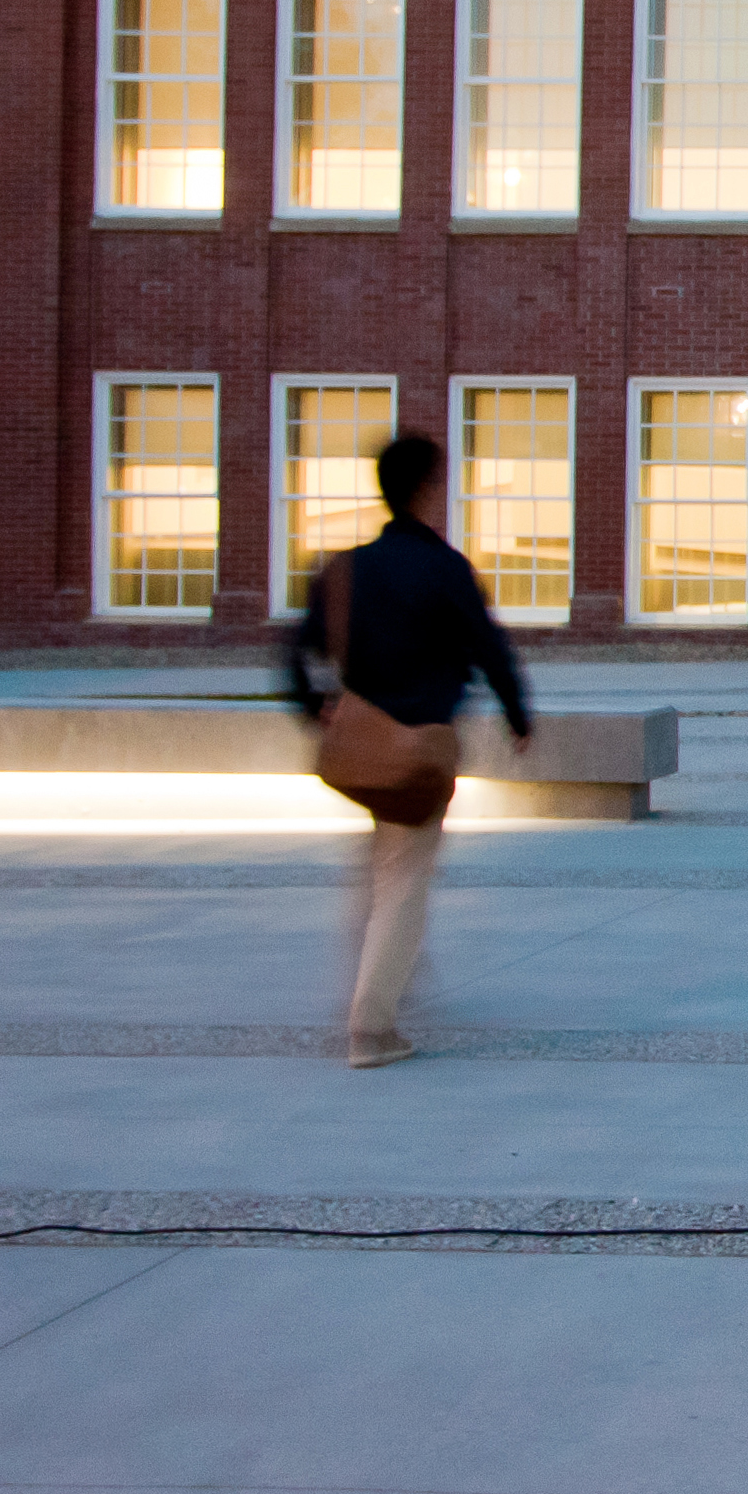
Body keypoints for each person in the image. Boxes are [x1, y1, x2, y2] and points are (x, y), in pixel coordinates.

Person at [281, 430, 530, 1067]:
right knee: (404, 880)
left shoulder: (343, 568)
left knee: (383, 863)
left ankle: (395, 971)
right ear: (425, 489)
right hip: (421, 750)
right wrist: (518, 716)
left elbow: (295, 654)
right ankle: (372, 1027)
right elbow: (490, 649)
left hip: (361, 748)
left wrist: (317, 710)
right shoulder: (445, 568)